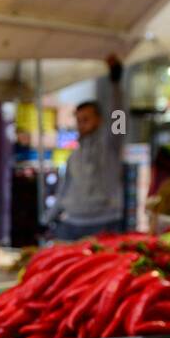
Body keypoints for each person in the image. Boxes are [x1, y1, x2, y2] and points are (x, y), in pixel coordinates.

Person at [49, 56, 126, 240]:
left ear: (99, 119)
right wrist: (49, 217)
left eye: (86, 119)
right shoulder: (73, 156)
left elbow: (120, 117)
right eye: (78, 120)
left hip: (104, 222)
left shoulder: (110, 145)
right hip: (72, 223)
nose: (81, 124)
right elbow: (64, 189)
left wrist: (116, 83)